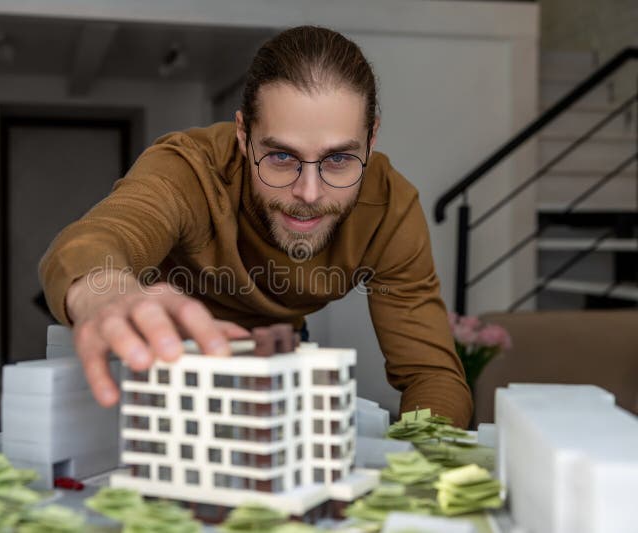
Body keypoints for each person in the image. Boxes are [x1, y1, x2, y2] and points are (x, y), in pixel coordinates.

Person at [39, 25, 473, 427]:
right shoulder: (191, 169)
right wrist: (107, 290)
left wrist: (423, 462)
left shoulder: (390, 208)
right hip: (167, 352)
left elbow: (431, 375)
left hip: (280, 347)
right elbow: (99, 238)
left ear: (371, 138)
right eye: (281, 156)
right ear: (244, 135)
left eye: (339, 159)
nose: (309, 193)